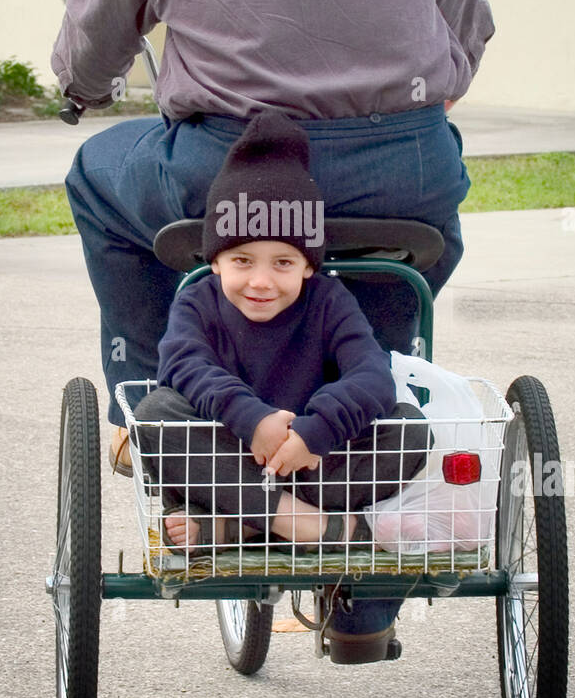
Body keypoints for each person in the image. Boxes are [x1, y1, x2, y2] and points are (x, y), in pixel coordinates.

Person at [51, 0, 494, 651]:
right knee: (390, 316)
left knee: (97, 177)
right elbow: (467, 27)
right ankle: (369, 584)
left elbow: (95, 45)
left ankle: (150, 412)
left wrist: (79, 91)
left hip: (231, 177)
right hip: (405, 171)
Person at [130, 112, 431, 664]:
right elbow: (184, 364)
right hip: (231, 458)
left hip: (314, 467)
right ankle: (293, 523)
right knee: (156, 413)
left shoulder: (330, 302)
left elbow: (371, 376)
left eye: (283, 262)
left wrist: (315, 431)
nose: (261, 280)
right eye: (242, 259)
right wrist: (253, 418)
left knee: (408, 429)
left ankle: (233, 523)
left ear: (309, 267)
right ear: (215, 260)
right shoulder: (198, 302)